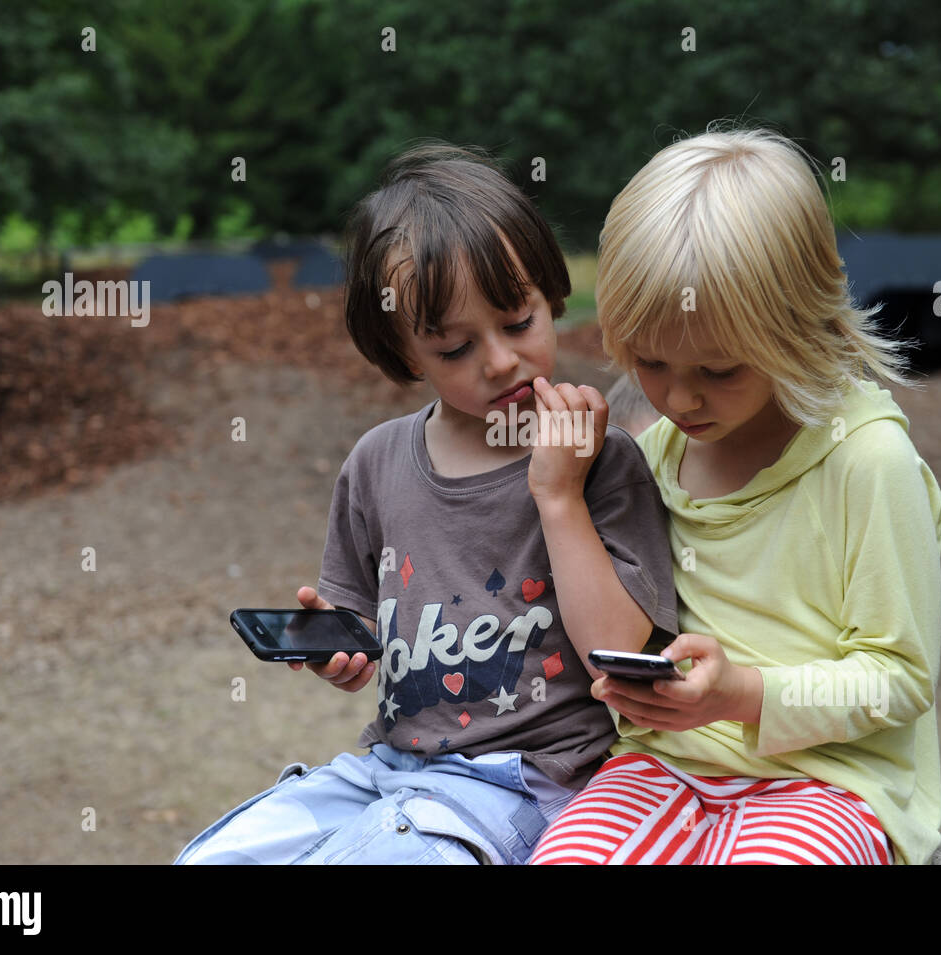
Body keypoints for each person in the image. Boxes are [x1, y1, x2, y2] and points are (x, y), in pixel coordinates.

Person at [174, 144, 677, 865]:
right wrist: (338, 652)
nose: (500, 360)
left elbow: (620, 656)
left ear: (551, 297)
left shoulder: (600, 458)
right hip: (388, 770)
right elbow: (358, 629)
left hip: (526, 783)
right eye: (453, 347)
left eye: (516, 321)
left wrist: (559, 493)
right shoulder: (377, 462)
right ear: (407, 353)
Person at [529, 126, 941, 865]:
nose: (680, 398)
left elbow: (899, 677)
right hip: (660, 767)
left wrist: (741, 694)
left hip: (828, 782)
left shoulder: (867, 462)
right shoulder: (654, 454)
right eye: (652, 362)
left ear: (797, 328)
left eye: (719, 370)